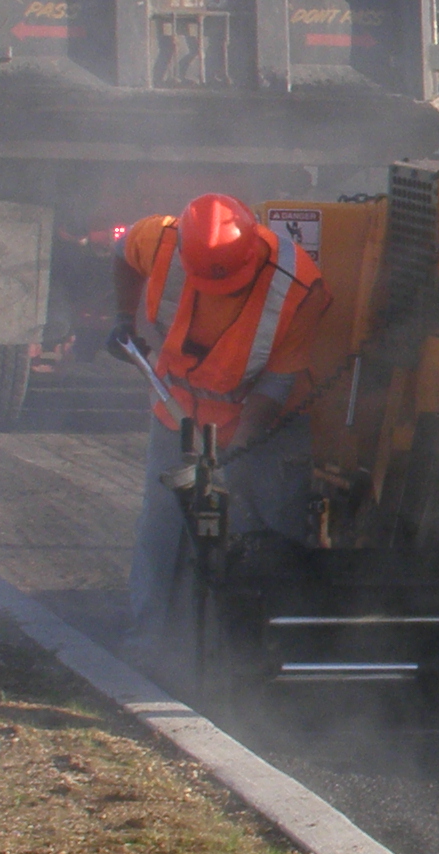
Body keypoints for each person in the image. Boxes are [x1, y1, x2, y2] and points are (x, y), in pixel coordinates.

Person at [109, 194, 332, 638]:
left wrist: (233, 457)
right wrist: (123, 317)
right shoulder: (161, 240)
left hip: (262, 425)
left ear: (252, 253)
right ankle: (151, 639)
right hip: (177, 413)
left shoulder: (298, 287)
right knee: (163, 524)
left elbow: (275, 386)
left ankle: (270, 637)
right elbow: (121, 253)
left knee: (266, 527)